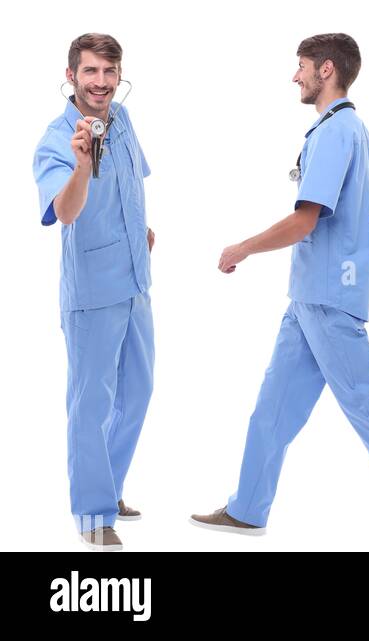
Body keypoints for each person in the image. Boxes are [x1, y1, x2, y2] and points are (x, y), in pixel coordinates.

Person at [190, 33, 369, 550]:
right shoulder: (360, 134)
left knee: (364, 402)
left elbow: (305, 221)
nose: (295, 76)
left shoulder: (336, 134)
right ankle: (247, 508)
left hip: (329, 299)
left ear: (326, 70)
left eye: (301, 67)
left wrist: (242, 248)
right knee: (272, 408)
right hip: (308, 301)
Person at [34, 33, 157, 551]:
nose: (101, 83)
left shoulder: (123, 121)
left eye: (109, 72)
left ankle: (108, 488)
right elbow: (64, 212)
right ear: (71, 77)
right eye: (91, 72)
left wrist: (142, 228)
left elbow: (133, 179)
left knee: (137, 392)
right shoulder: (55, 140)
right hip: (92, 293)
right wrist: (82, 164)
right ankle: (91, 515)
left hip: (135, 281)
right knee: (89, 405)